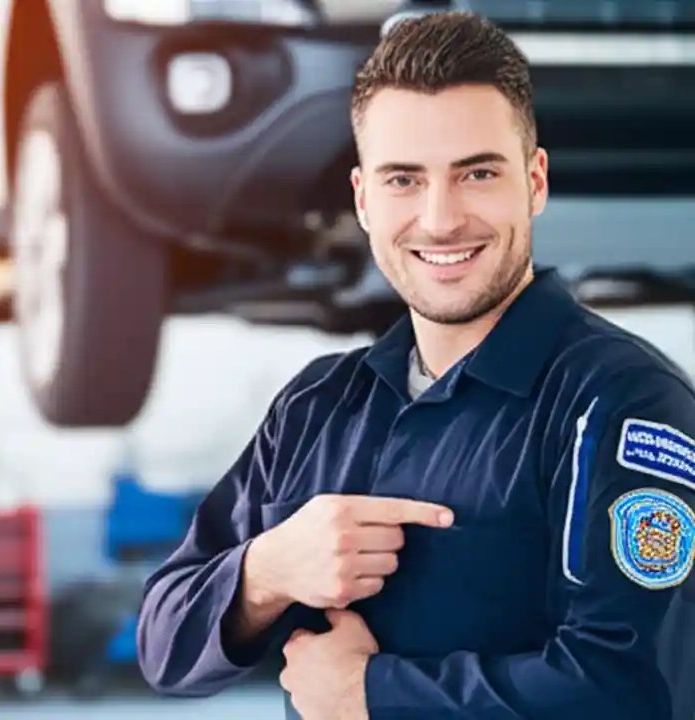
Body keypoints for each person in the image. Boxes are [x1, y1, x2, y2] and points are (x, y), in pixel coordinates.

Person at [136, 11, 695, 720]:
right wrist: (268, 571)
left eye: (477, 174)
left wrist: (370, 695)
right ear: (363, 199)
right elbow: (163, 643)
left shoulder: (621, 403)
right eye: (404, 179)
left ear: (535, 182)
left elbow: (631, 689)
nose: (440, 219)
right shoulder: (316, 406)